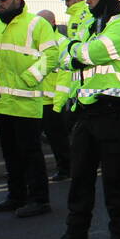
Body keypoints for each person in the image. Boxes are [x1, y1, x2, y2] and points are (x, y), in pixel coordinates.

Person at [45, 0, 120, 239]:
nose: (88, 0)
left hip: (112, 111)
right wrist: (75, 54)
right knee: (80, 179)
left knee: (115, 181)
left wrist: (75, 53)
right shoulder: (88, 25)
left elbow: (90, 54)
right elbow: (66, 56)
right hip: (84, 112)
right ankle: (75, 235)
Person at [0, 0, 58, 218]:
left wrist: (31, 78)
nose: (1, 4)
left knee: (31, 153)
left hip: (27, 101)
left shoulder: (36, 24)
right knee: (9, 153)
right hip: (3, 101)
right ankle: (15, 195)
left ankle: (39, 199)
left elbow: (52, 56)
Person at [36, 9, 72, 180]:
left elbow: (66, 75)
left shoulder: (61, 42)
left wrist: (59, 103)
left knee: (58, 140)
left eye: (41, 22)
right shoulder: (37, 41)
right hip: (36, 100)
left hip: (52, 101)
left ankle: (66, 169)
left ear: (51, 23)